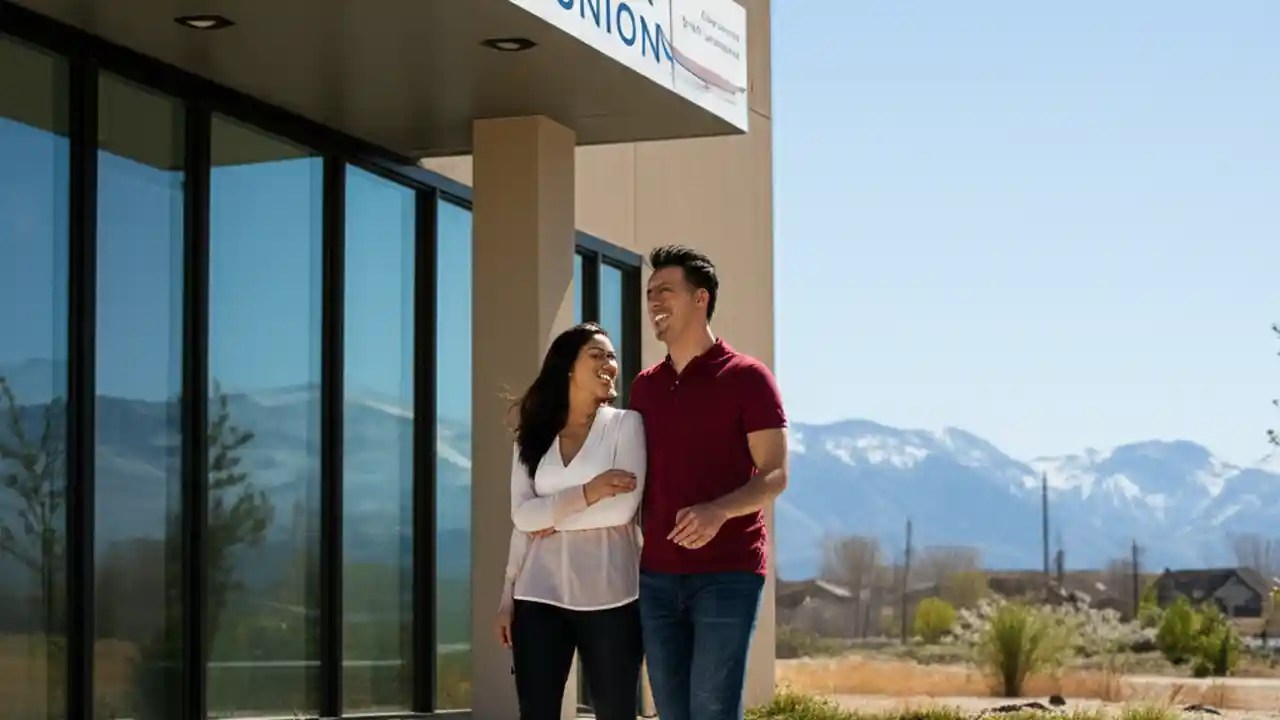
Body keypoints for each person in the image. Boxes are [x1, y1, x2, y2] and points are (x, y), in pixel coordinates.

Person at [629, 245, 789, 720]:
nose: (654, 300)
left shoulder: (747, 378)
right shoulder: (644, 387)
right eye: (650, 292)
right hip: (656, 576)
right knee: (673, 712)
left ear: (701, 299)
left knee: (711, 709)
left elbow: (775, 473)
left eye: (666, 290)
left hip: (727, 574)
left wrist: (718, 510)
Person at [494, 322, 648, 720]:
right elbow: (520, 517)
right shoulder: (532, 435)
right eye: (596, 355)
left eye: (612, 356)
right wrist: (589, 492)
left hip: (612, 593)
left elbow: (622, 509)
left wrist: (551, 516)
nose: (609, 364)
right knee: (537, 712)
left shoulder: (625, 425)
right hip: (537, 593)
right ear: (567, 368)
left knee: (615, 712)